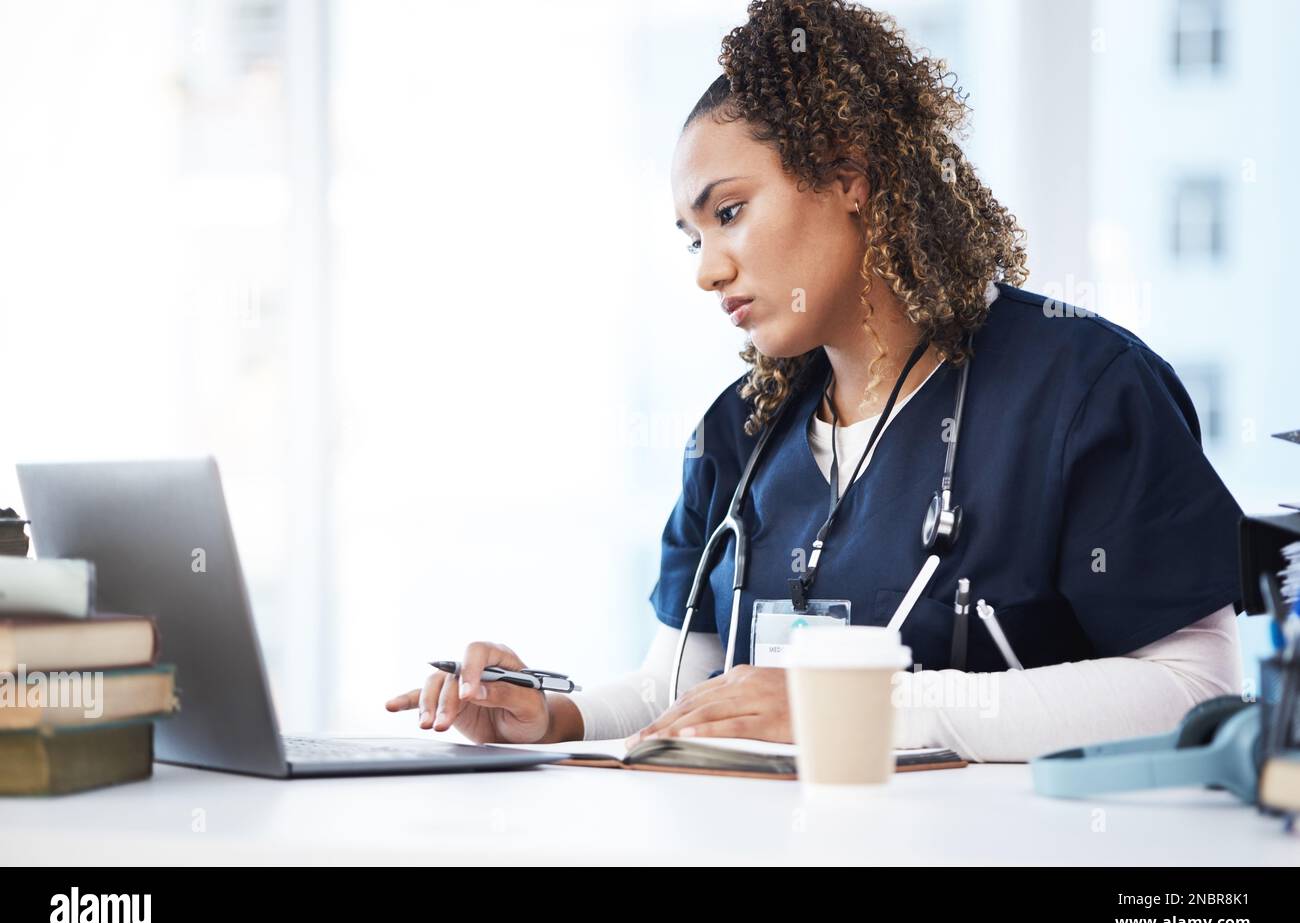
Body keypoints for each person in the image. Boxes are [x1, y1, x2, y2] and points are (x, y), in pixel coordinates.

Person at [385, 0, 1244, 762]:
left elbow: (1192, 688)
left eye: (728, 212)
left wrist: (859, 709)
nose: (707, 270)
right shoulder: (738, 434)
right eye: (692, 237)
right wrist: (550, 717)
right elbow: (680, 694)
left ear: (848, 174)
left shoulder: (1082, 388)